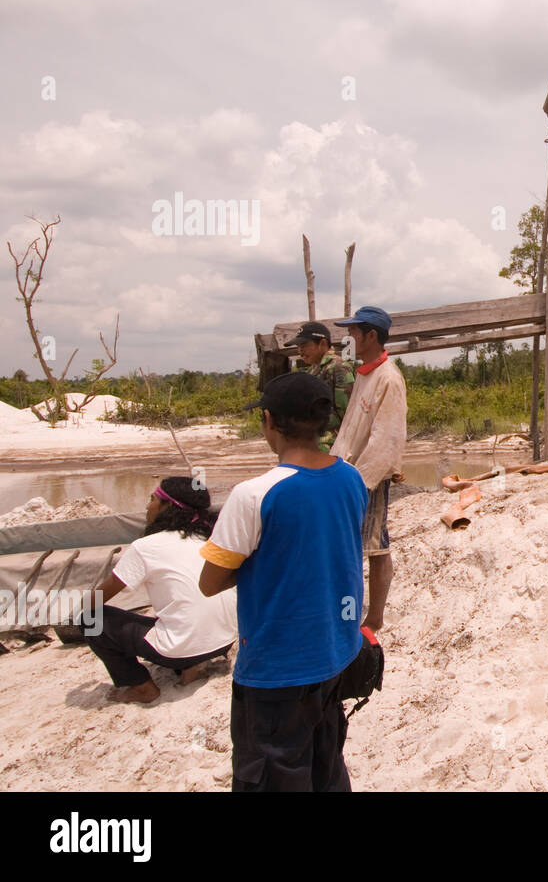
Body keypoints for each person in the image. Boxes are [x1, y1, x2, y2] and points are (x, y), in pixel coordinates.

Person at [198, 373, 367, 792]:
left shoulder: (254, 494)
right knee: (326, 764)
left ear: (269, 421)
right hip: (335, 655)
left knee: (272, 772)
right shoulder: (351, 478)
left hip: (276, 670)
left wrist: (265, 561)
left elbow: (209, 581)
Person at [83, 477, 237, 705]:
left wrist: (76, 611)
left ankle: (142, 688)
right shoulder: (208, 539)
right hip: (223, 641)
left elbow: (98, 599)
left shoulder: (146, 546)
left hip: (184, 647)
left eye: (152, 499)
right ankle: (190, 667)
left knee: (90, 619)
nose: (147, 506)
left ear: (168, 507)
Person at [331, 305, 407, 634]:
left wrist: (359, 484)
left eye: (355, 333)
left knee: (375, 546)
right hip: (347, 473)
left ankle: (373, 619)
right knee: (356, 545)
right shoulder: (366, 374)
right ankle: (353, 612)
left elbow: (385, 440)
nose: (351, 339)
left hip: (364, 479)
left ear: (371, 336)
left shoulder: (389, 378)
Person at [290, 320, 355, 451]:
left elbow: (347, 412)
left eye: (305, 345)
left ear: (323, 344)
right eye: (299, 347)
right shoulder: (313, 369)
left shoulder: (338, 367)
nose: (300, 351)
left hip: (332, 444)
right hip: (314, 439)